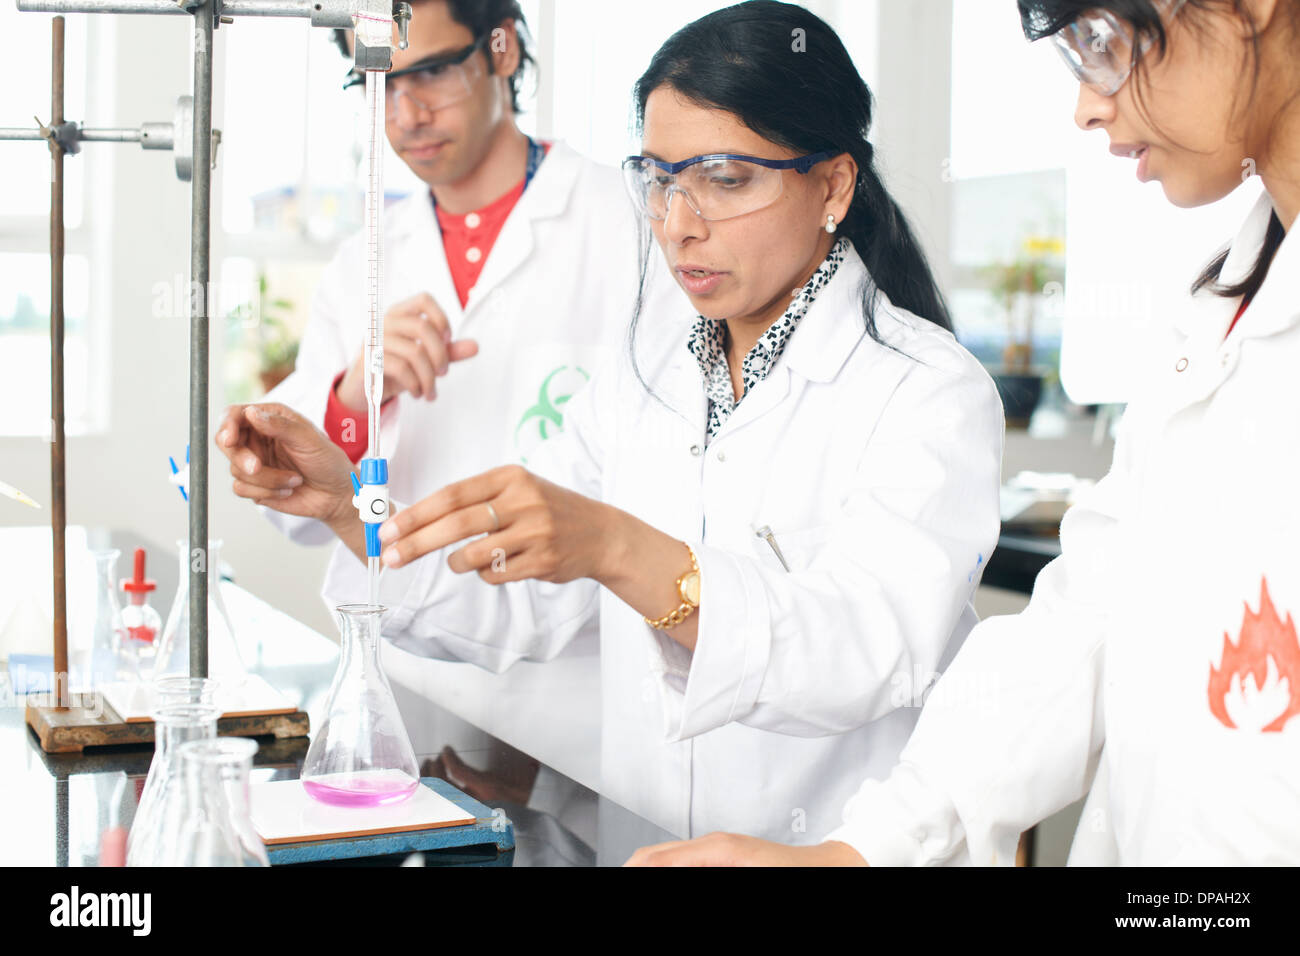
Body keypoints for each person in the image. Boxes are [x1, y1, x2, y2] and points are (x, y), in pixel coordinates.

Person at [220, 0, 1003, 843]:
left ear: (835, 184)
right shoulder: (644, 379)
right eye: (662, 181)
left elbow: (862, 650)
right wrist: (344, 503)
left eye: (725, 179)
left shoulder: (927, 390)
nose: (678, 224)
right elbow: (508, 595)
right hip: (641, 845)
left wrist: (615, 546)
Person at [626, 0, 1300, 866]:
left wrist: (618, 553)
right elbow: (1078, 634)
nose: (1087, 105)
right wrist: (857, 854)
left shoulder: (928, 385)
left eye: (1102, 40)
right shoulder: (1222, 314)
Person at [217, 0, 682, 793]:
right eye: (379, 86)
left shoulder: (633, 225)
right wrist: (354, 401)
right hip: (405, 693)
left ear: (502, 50)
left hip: (576, 706)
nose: (406, 113)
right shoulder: (365, 258)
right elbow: (290, 503)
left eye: (430, 72)